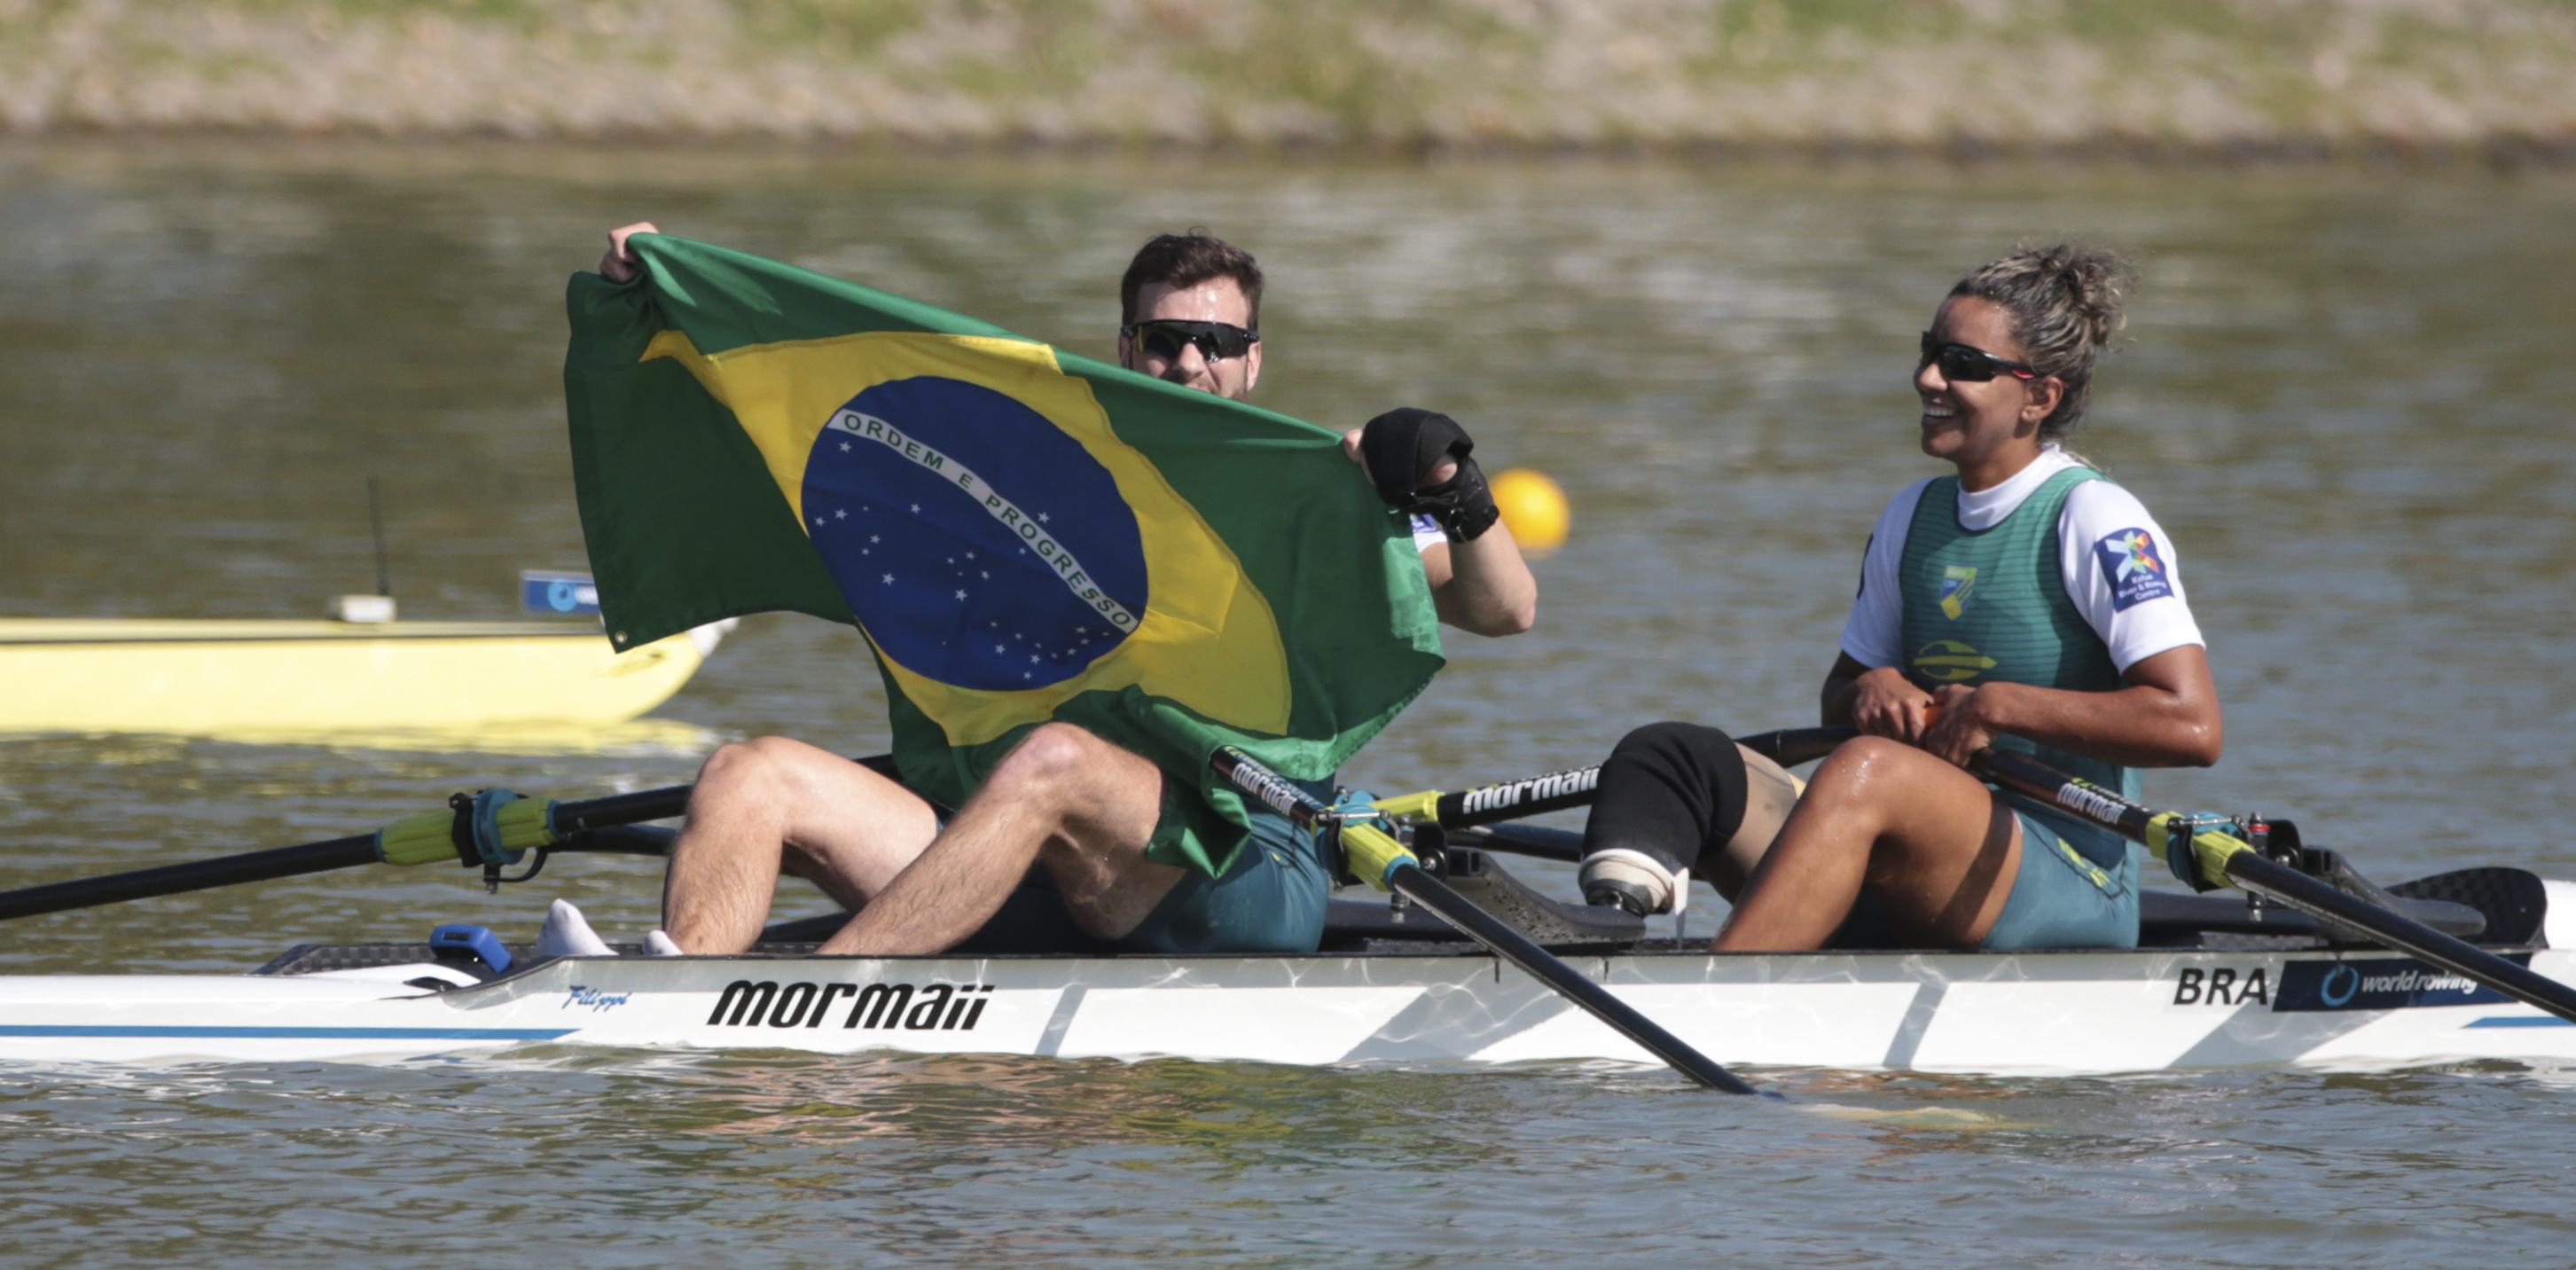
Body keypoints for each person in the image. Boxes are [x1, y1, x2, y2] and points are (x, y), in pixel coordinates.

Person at [544, 226, 1536, 960]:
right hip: (1025, 858)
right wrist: (675, 296)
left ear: (1252, 360)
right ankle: (675, 1000)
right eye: (1162, 339)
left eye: (1218, 344)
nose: (1188, 362)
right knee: (747, 772)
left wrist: (1457, 493)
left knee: (1055, 757)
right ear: (1125, 348)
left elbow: (1506, 610)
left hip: (1235, 872)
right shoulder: (1040, 488)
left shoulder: (1314, 502)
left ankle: (813, 999)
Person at [1697, 243, 2221, 952]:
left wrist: (2000, 706)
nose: (1927, 378)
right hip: (1925, 864)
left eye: (1963, 366)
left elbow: (2191, 727)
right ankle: (1642, 937)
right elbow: (1837, 698)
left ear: (2038, 398)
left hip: (2069, 871)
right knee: (1690, 760)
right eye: (1929, 352)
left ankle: (1713, 996)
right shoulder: (1908, 518)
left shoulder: (2096, 518)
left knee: (1865, 770)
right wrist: (1870, 688)